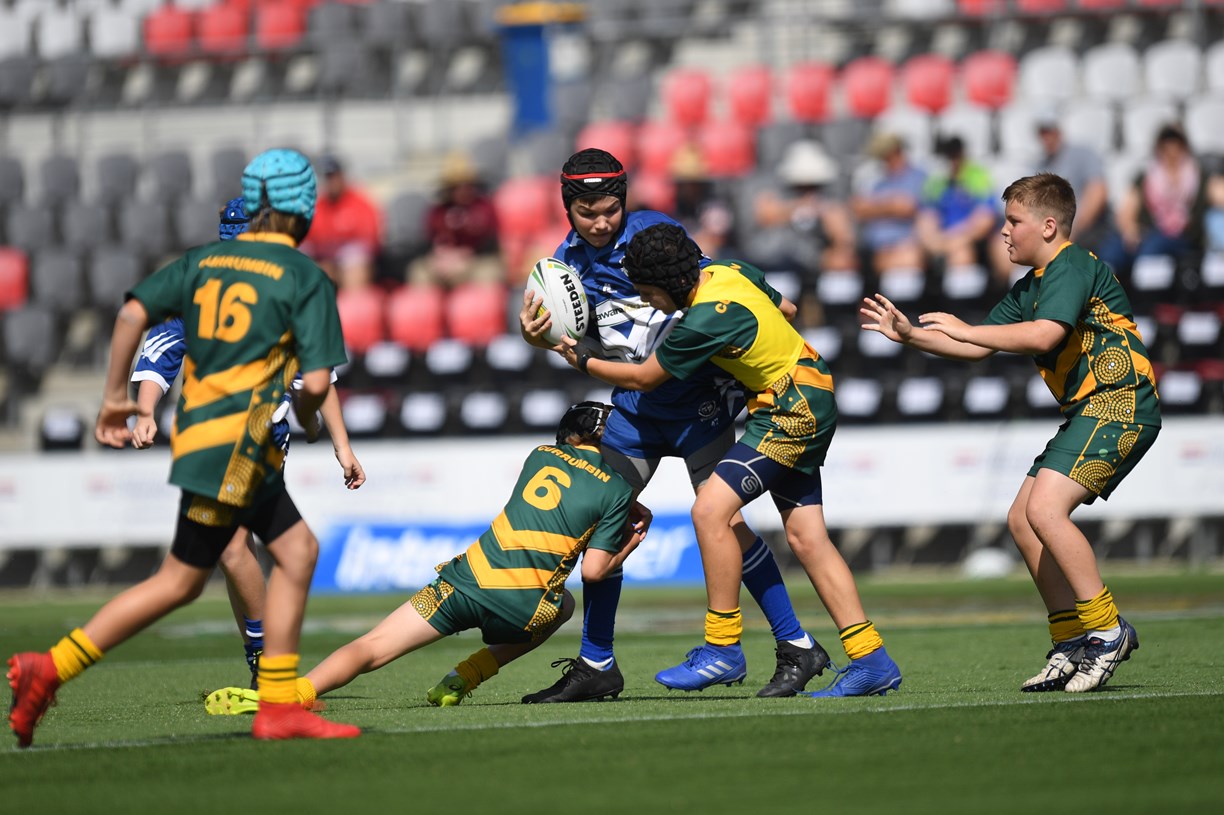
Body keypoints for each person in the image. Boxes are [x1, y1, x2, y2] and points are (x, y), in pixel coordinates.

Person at [6, 148, 361, 747]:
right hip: (241, 445)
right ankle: (51, 667)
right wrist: (312, 422)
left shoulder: (200, 267)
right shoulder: (303, 279)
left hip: (210, 440)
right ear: (303, 212)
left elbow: (131, 315)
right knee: (183, 580)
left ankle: (275, 701)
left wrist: (116, 399)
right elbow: (318, 383)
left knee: (295, 551)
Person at [519, 148, 831, 700]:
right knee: (600, 524)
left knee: (726, 525)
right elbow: (584, 339)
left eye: (610, 209)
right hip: (635, 413)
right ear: (567, 207)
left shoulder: (657, 235)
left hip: (695, 404)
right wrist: (538, 334)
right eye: (588, 211)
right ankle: (596, 664)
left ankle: (796, 643)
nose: (600, 222)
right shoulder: (563, 265)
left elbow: (711, 294)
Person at [554, 222, 902, 698]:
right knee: (806, 537)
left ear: (672, 285)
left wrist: (579, 360)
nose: (650, 303)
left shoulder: (700, 321)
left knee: (709, 510)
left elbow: (642, 379)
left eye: (650, 294)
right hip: (807, 388)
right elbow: (787, 308)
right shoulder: (726, 269)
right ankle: (872, 660)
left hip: (789, 409)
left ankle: (722, 648)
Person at [860, 172, 1160, 692]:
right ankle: (1071, 640)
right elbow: (976, 347)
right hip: (1094, 409)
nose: (1003, 231)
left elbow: (1043, 334)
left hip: (1121, 403)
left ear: (1048, 226)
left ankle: (1107, 631)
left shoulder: (1070, 265)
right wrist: (911, 336)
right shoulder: (1034, 285)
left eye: (1013, 221)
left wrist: (966, 329)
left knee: (1044, 510)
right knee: (1023, 520)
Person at [203, 403, 648, 714]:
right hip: (525, 611)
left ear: (569, 438)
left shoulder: (540, 455)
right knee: (564, 604)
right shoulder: (617, 490)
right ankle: (466, 676)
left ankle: (292, 692)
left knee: (372, 647)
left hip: (462, 585)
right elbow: (594, 570)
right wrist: (631, 540)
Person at [129, 196, 367, 690]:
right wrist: (146, 409)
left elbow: (315, 378)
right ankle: (267, 664)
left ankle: (267, 664)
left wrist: (340, 443)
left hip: (250, 435)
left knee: (235, 550)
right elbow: (162, 350)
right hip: (215, 434)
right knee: (244, 551)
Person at [748, 139, 857, 326]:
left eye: (812, 186)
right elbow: (764, 214)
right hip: (781, 263)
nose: (807, 191)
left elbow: (845, 240)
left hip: (817, 263)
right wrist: (796, 207)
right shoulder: (781, 197)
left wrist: (828, 222)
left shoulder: (829, 205)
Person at [1100, 123, 1207, 278]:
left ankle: (1148, 296)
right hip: (1147, 232)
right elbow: (1127, 210)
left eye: (1176, 143)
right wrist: (1129, 229)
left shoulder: (1198, 176)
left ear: (1184, 146)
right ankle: (1103, 290)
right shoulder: (1146, 178)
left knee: (1152, 247)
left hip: (1182, 236)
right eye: (1166, 144)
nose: (1171, 148)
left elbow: (1218, 192)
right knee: (1113, 247)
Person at [916, 134, 1013, 289]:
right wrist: (935, 243)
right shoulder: (937, 182)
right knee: (958, 256)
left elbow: (984, 220)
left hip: (976, 237)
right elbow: (926, 218)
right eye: (949, 156)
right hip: (948, 239)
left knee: (1004, 252)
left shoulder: (978, 176)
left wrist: (955, 240)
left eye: (955, 155)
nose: (953, 160)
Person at [406, 151, 502, 289]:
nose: (463, 190)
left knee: (487, 274)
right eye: (457, 186)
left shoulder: (484, 207)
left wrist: (467, 256)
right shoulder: (438, 211)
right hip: (443, 263)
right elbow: (429, 241)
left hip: (477, 261)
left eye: (467, 185)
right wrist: (440, 257)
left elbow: (491, 242)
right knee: (418, 272)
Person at [1032, 109, 1112, 255]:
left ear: (1058, 131)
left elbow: (1098, 192)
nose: (1047, 136)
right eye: (1043, 131)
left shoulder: (1083, 154)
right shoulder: (1039, 167)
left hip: (1093, 232)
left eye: (1049, 130)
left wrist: (1071, 232)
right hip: (1058, 235)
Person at [850, 131, 926, 283]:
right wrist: (891, 205)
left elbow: (907, 207)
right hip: (876, 248)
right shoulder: (879, 180)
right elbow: (858, 208)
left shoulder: (918, 178)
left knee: (905, 261)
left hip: (905, 244)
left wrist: (877, 207)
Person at [303, 154, 383, 290]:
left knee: (354, 262)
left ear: (342, 176)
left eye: (333, 176)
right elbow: (310, 238)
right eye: (327, 177)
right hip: (327, 258)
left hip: (352, 260)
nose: (331, 181)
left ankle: (353, 308)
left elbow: (370, 240)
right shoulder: (319, 205)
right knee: (313, 268)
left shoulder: (358, 201)